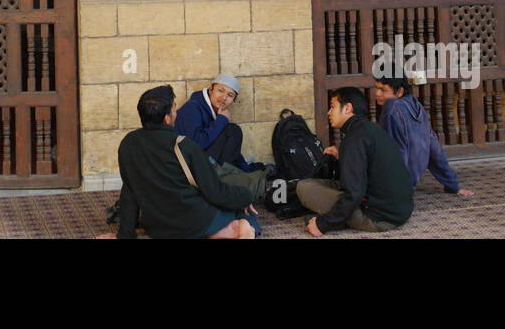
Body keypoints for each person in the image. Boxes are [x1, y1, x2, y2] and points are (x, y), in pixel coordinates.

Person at [102, 85, 261, 239]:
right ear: (166, 118)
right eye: (174, 108)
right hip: (193, 220)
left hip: (157, 227)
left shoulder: (128, 143)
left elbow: (129, 192)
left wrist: (125, 235)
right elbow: (215, 192)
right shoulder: (184, 145)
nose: (176, 113)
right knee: (242, 208)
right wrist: (245, 196)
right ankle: (235, 229)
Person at [299, 87, 413, 236]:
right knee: (314, 183)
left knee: (304, 188)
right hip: (400, 210)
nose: (329, 112)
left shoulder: (354, 138)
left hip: (378, 218)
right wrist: (343, 156)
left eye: (332, 106)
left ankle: (338, 219)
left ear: (347, 108)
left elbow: (354, 193)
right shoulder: (369, 130)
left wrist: (323, 224)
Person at [373, 75, 472, 196]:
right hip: (408, 183)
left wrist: (397, 190)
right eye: (376, 88)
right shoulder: (416, 105)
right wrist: (453, 185)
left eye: (382, 90)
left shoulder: (391, 107)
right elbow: (434, 148)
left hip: (398, 187)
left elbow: (397, 151)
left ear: (400, 91)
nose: (377, 93)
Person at [174, 73, 261, 171]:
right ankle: (225, 178)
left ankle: (236, 175)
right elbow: (196, 144)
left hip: (200, 163)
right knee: (232, 131)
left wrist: (248, 171)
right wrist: (221, 120)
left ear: (233, 100)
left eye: (230, 95)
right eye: (220, 91)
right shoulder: (192, 107)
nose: (224, 98)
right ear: (211, 89)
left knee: (230, 132)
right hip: (187, 168)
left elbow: (231, 150)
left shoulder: (214, 112)